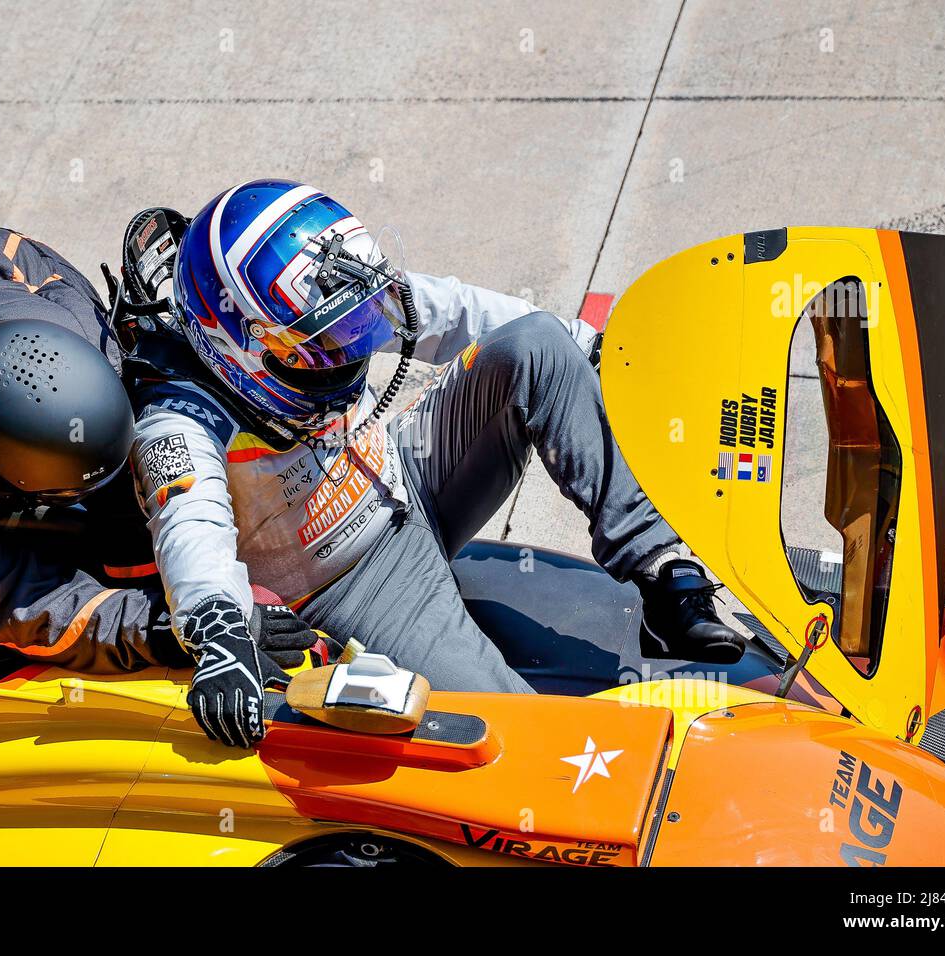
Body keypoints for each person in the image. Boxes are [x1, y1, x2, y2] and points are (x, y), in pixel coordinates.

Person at [122, 181, 746, 749]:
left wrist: (597, 352)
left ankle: (662, 568)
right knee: (534, 741)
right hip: (354, 584)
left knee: (536, 344)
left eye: (355, 332)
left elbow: (450, 311)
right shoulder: (175, 419)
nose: (353, 354)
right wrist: (218, 636)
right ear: (236, 342)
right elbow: (189, 524)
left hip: (407, 475)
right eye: (326, 350)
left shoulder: (313, 301)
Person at [0, 224, 316, 675]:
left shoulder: (84, 335)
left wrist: (192, 589)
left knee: (126, 510)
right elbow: (11, 605)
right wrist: (162, 633)